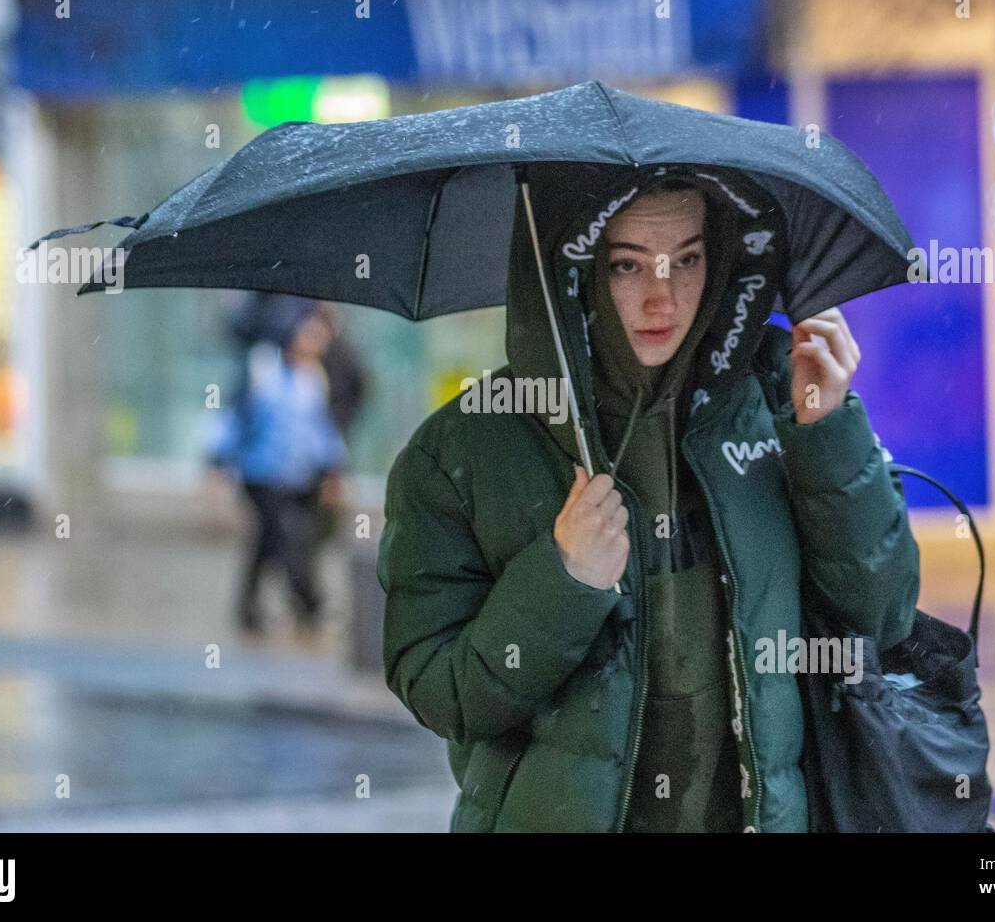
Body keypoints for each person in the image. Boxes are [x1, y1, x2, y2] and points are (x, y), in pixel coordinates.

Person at [377, 164, 921, 832]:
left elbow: (881, 617)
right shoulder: (463, 450)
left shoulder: (780, 399)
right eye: (628, 267)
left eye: (686, 260)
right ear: (571, 275)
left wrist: (828, 436)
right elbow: (440, 692)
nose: (662, 299)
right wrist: (563, 582)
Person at [210, 308, 346, 634]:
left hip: (301, 477)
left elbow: (321, 430)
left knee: (267, 543)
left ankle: (254, 607)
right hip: (262, 475)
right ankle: (309, 603)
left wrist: (333, 471)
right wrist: (217, 463)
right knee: (283, 537)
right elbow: (234, 418)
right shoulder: (263, 372)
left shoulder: (314, 378)